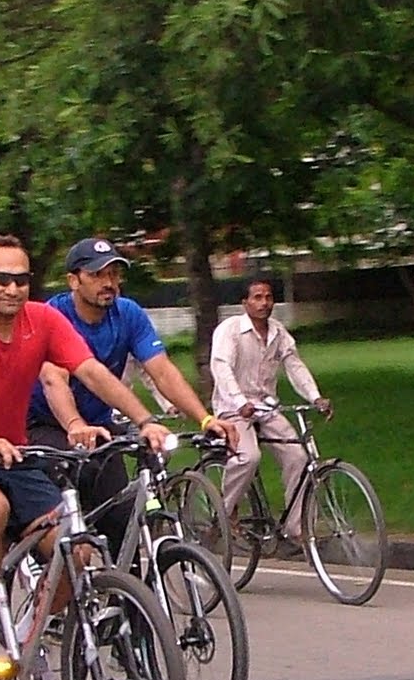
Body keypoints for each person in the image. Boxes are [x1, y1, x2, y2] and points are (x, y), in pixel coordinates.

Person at [0, 235, 172, 672]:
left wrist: (146, 421)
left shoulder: (42, 321)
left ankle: (24, 638)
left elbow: (90, 371)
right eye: (0, 279)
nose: (12, 289)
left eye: (21, 280)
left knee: (76, 552)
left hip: (13, 455)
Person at [28, 237, 238, 554]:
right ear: (74, 280)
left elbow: (162, 371)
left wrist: (205, 418)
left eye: (114, 274)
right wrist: (74, 424)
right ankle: (56, 586)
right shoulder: (52, 316)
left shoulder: (128, 314)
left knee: (123, 522)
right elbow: (53, 380)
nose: (109, 283)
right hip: (47, 424)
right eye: (98, 275)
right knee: (62, 527)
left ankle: (128, 598)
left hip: (98, 426)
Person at [209, 277, 333, 557]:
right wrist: (240, 402)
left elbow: (295, 366)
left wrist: (315, 397)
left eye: (267, 297)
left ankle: (295, 528)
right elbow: (221, 368)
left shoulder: (278, 333)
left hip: (266, 407)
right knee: (248, 457)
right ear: (245, 303)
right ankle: (225, 512)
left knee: (299, 456)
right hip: (233, 408)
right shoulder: (229, 331)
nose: (264, 303)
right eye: (257, 297)